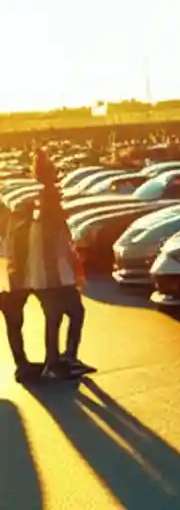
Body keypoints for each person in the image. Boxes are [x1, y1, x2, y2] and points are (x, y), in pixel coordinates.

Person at [27, 151, 95, 380]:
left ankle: (54, 361)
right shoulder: (49, 203)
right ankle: (66, 358)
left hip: (44, 275)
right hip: (55, 275)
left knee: (53, 317)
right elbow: (56, 243)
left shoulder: (36, 201)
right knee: (75, 312)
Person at [1, 197, 39, 383]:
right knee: (14, 324)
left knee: (14, 325)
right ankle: (22, 365)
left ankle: (22, 364)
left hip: (11, 286)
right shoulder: (15, 229)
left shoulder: (13, 228)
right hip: (10, 286)